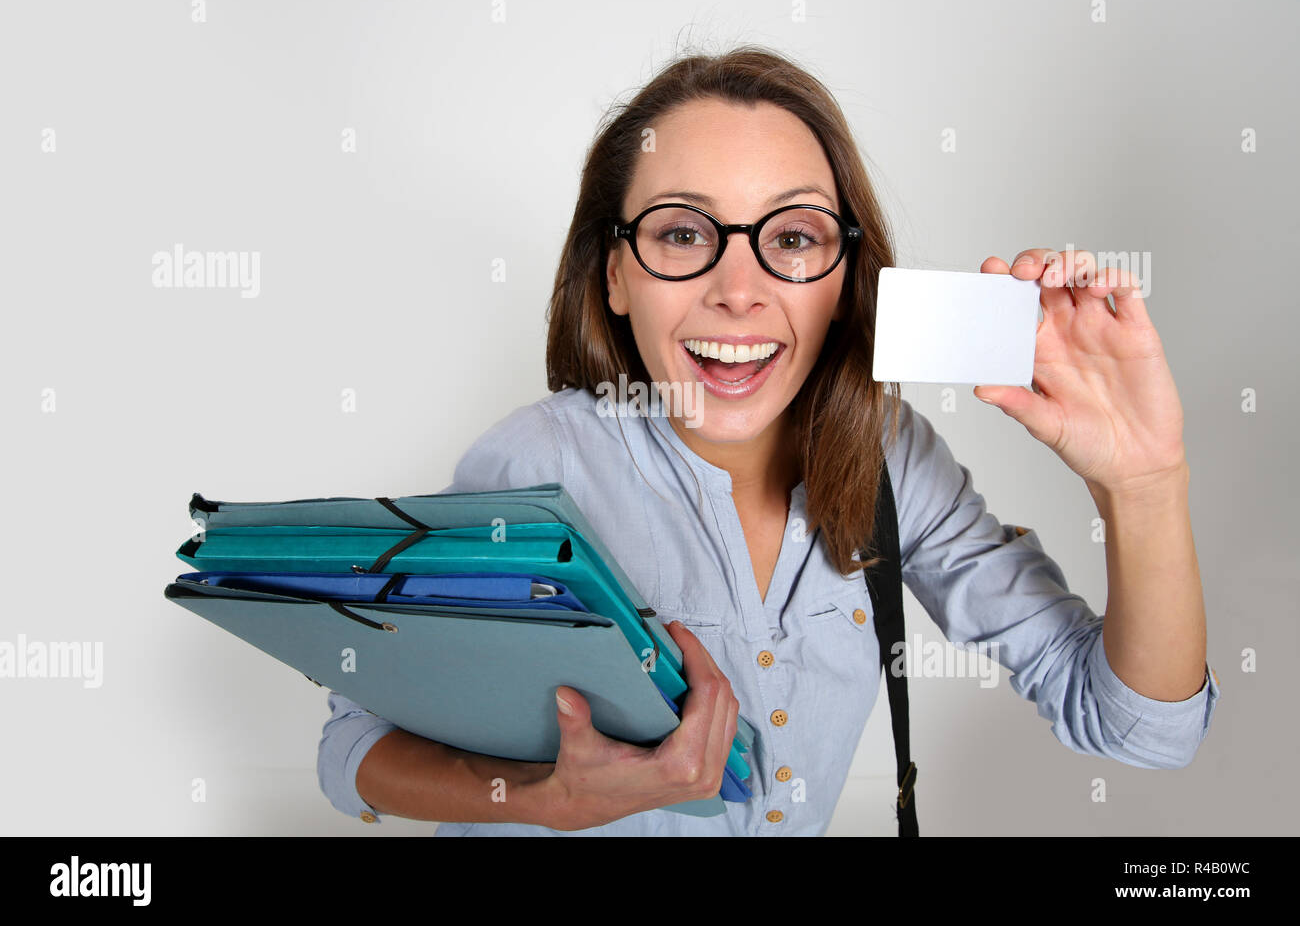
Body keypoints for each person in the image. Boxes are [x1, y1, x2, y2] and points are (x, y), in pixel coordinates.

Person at [317, 45, 1220, 836]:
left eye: (792, 236)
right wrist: (540, 795)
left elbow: (1140, 730)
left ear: (845, 278)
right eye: (682, 233)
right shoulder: (536, 467)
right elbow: (353, 747)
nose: (739, 290)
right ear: (618, 276)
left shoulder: (892, 460)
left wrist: (1144, 485)